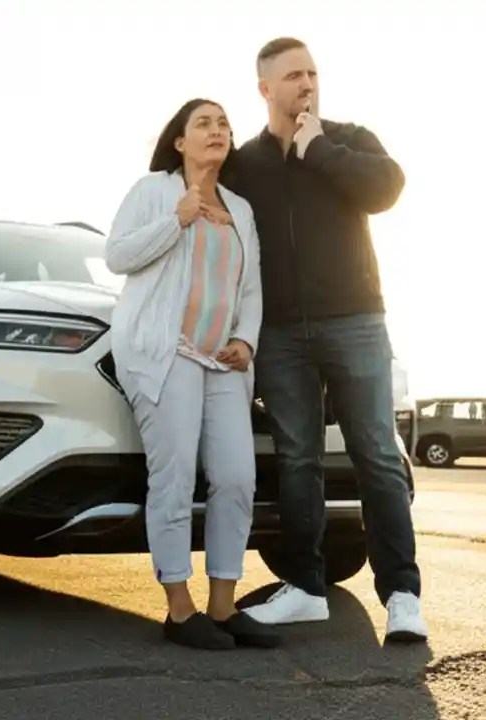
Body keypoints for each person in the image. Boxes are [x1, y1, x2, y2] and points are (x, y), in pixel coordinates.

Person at [222, 37, 428, 643]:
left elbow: (386, 188)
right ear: (266, 88)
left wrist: (319, 150)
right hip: (280, 332)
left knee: (376, 456)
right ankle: (307, 589)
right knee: (298, 460)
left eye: (312, 72)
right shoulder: (247, 163)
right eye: (292, 75)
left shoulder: (348, 139)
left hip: (356, 320)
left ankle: (403, 595)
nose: (306, 83)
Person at [105, 98, 278, 651]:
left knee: (236, 478)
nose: (218, 130)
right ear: (179, 141)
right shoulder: (153, 191)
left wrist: (245, 339)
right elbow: (117, 256)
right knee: (175, 477)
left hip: (221, 360)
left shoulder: (241, 210)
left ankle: (223, 606)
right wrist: (176, 219)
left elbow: (249, 288)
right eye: (204, 123)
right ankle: (180, 610)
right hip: (164, 352)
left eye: (225, 123)